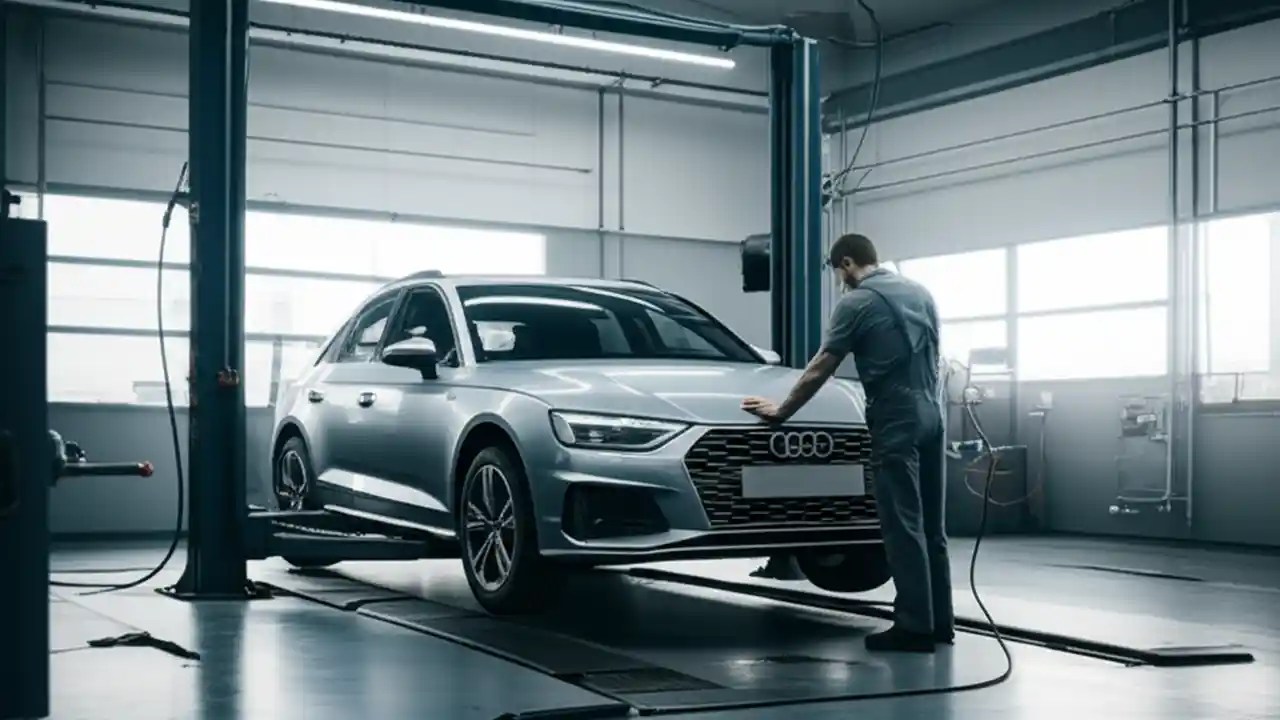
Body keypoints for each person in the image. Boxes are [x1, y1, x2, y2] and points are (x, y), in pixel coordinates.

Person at [741, 233, 953, 653]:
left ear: (846, 264)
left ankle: (914, 627)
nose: (840, 280)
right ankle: (939, 624)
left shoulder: (857, 302)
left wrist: (782, 411)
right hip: (934, 412)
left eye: (839, 272)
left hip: (895, 417)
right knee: (933, 527)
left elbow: (823, 365)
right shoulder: (920, 293)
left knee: (902, 524)